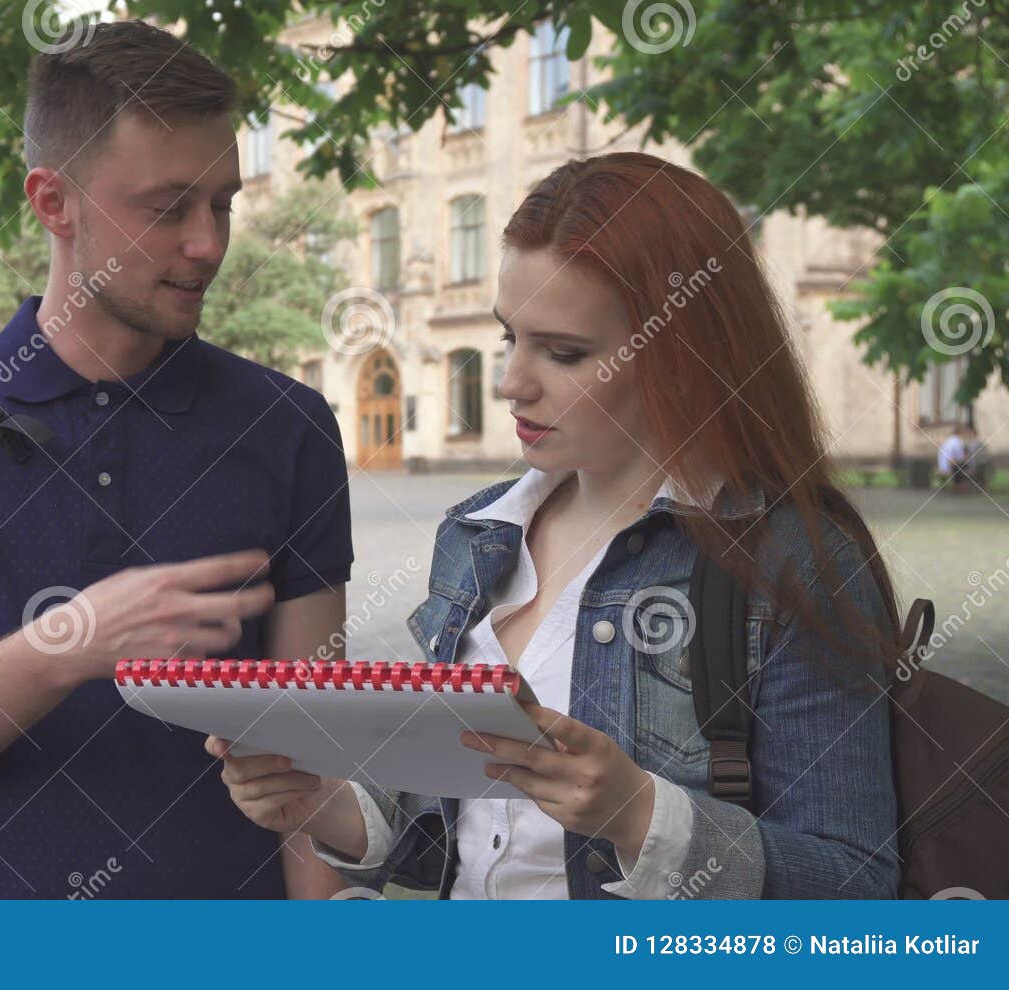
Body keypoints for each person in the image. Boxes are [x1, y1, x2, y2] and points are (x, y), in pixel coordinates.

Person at [210, 152, 903, 899]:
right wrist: (324, 805)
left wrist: (639, 816)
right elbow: (456, 832)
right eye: (510, 337)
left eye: (564, 353)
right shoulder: (477, 534)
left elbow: (858, 890)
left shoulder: (789, 557)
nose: (511, 382)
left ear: (685, 356)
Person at [0, 20, 352, 899]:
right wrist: (71, 644)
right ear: (52, 202)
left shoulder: (288, 426)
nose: (209, 244)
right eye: (168, 207)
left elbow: (310, 763)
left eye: (223, 203)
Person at [938, 427, 969, 493]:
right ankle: (959, 488)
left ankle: (957, 487)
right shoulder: (958, 441)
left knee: (958, 466)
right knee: (964, 466)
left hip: (942, 466)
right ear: (960, 433)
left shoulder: (947, 440)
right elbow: (960, 456)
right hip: (950, 466)